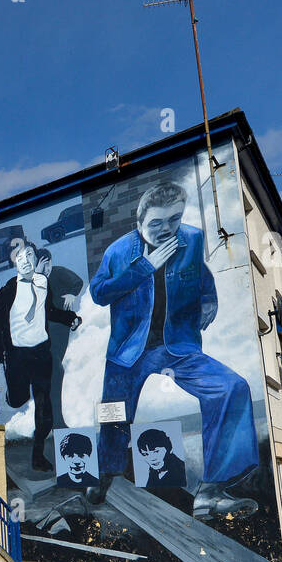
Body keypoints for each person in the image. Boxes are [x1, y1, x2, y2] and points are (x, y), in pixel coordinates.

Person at [88, 182, 257, 519]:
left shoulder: (191, 239)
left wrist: (209, 299)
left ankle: (211, 491)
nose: (166, 229)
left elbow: (201, 275)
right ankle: (107, 472)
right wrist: (144, 267)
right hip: (128, 351)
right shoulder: (118, 252)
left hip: (175, 346)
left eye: (173, 220)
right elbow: (99, 293)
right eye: (156, 223)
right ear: (139, 224)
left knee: (232, 387)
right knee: (114, 414)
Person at [0, 241, 81, 472]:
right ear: (16, 264)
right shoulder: (8, 289)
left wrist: (71, 319)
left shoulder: (42, 283)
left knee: (44, 409)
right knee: (19, 399)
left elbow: (49, 311)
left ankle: (38, 456)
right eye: (21, 258)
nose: (26, 260)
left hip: (41, 353)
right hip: (17, 355)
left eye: (29, 255)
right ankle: (13, 395)